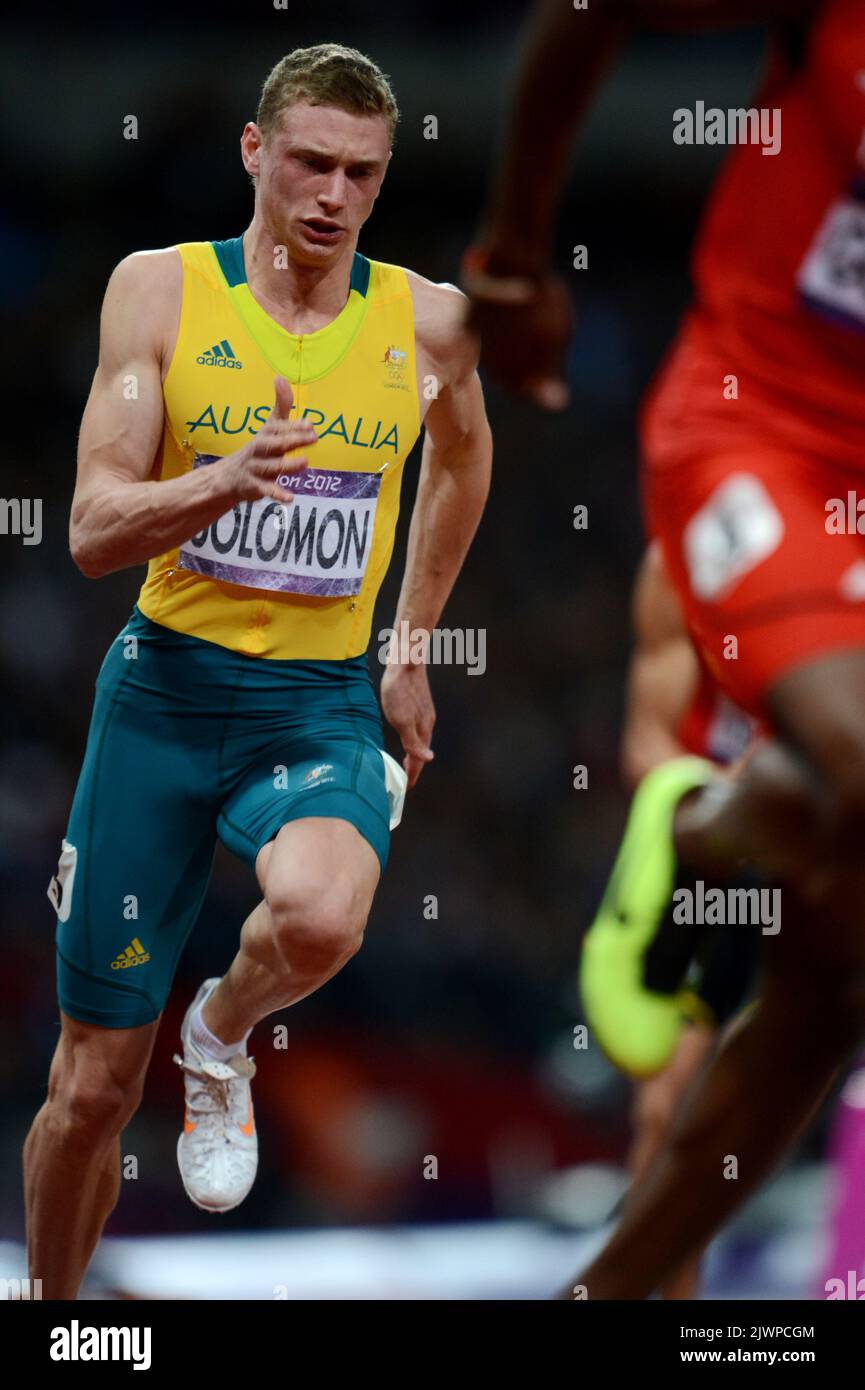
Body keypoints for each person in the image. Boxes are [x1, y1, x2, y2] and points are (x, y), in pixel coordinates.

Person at [26, 42, 493, 1300]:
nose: (332, 194)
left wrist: (409, 644)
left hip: (316, 700)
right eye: (309, 162)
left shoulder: (429, 323)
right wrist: (215, 485)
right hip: (165, 697)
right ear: (255, 152)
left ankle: (222, 1031)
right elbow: (86, 529)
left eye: (361, 172)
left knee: (323, 913)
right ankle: (58, 1318)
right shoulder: (162, 294)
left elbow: (461, 461)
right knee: (89, 1088)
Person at [465, 0, 865, 1298]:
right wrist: (516, 255)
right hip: (771, 436)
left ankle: (723, 828)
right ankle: (717, 821)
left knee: (833, 946)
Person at [581, 541, 758, 1300]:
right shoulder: (681, 564)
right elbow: (646, 749)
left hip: (836, 848)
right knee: (671, 1105)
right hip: (723, 853)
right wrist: (751, 797)